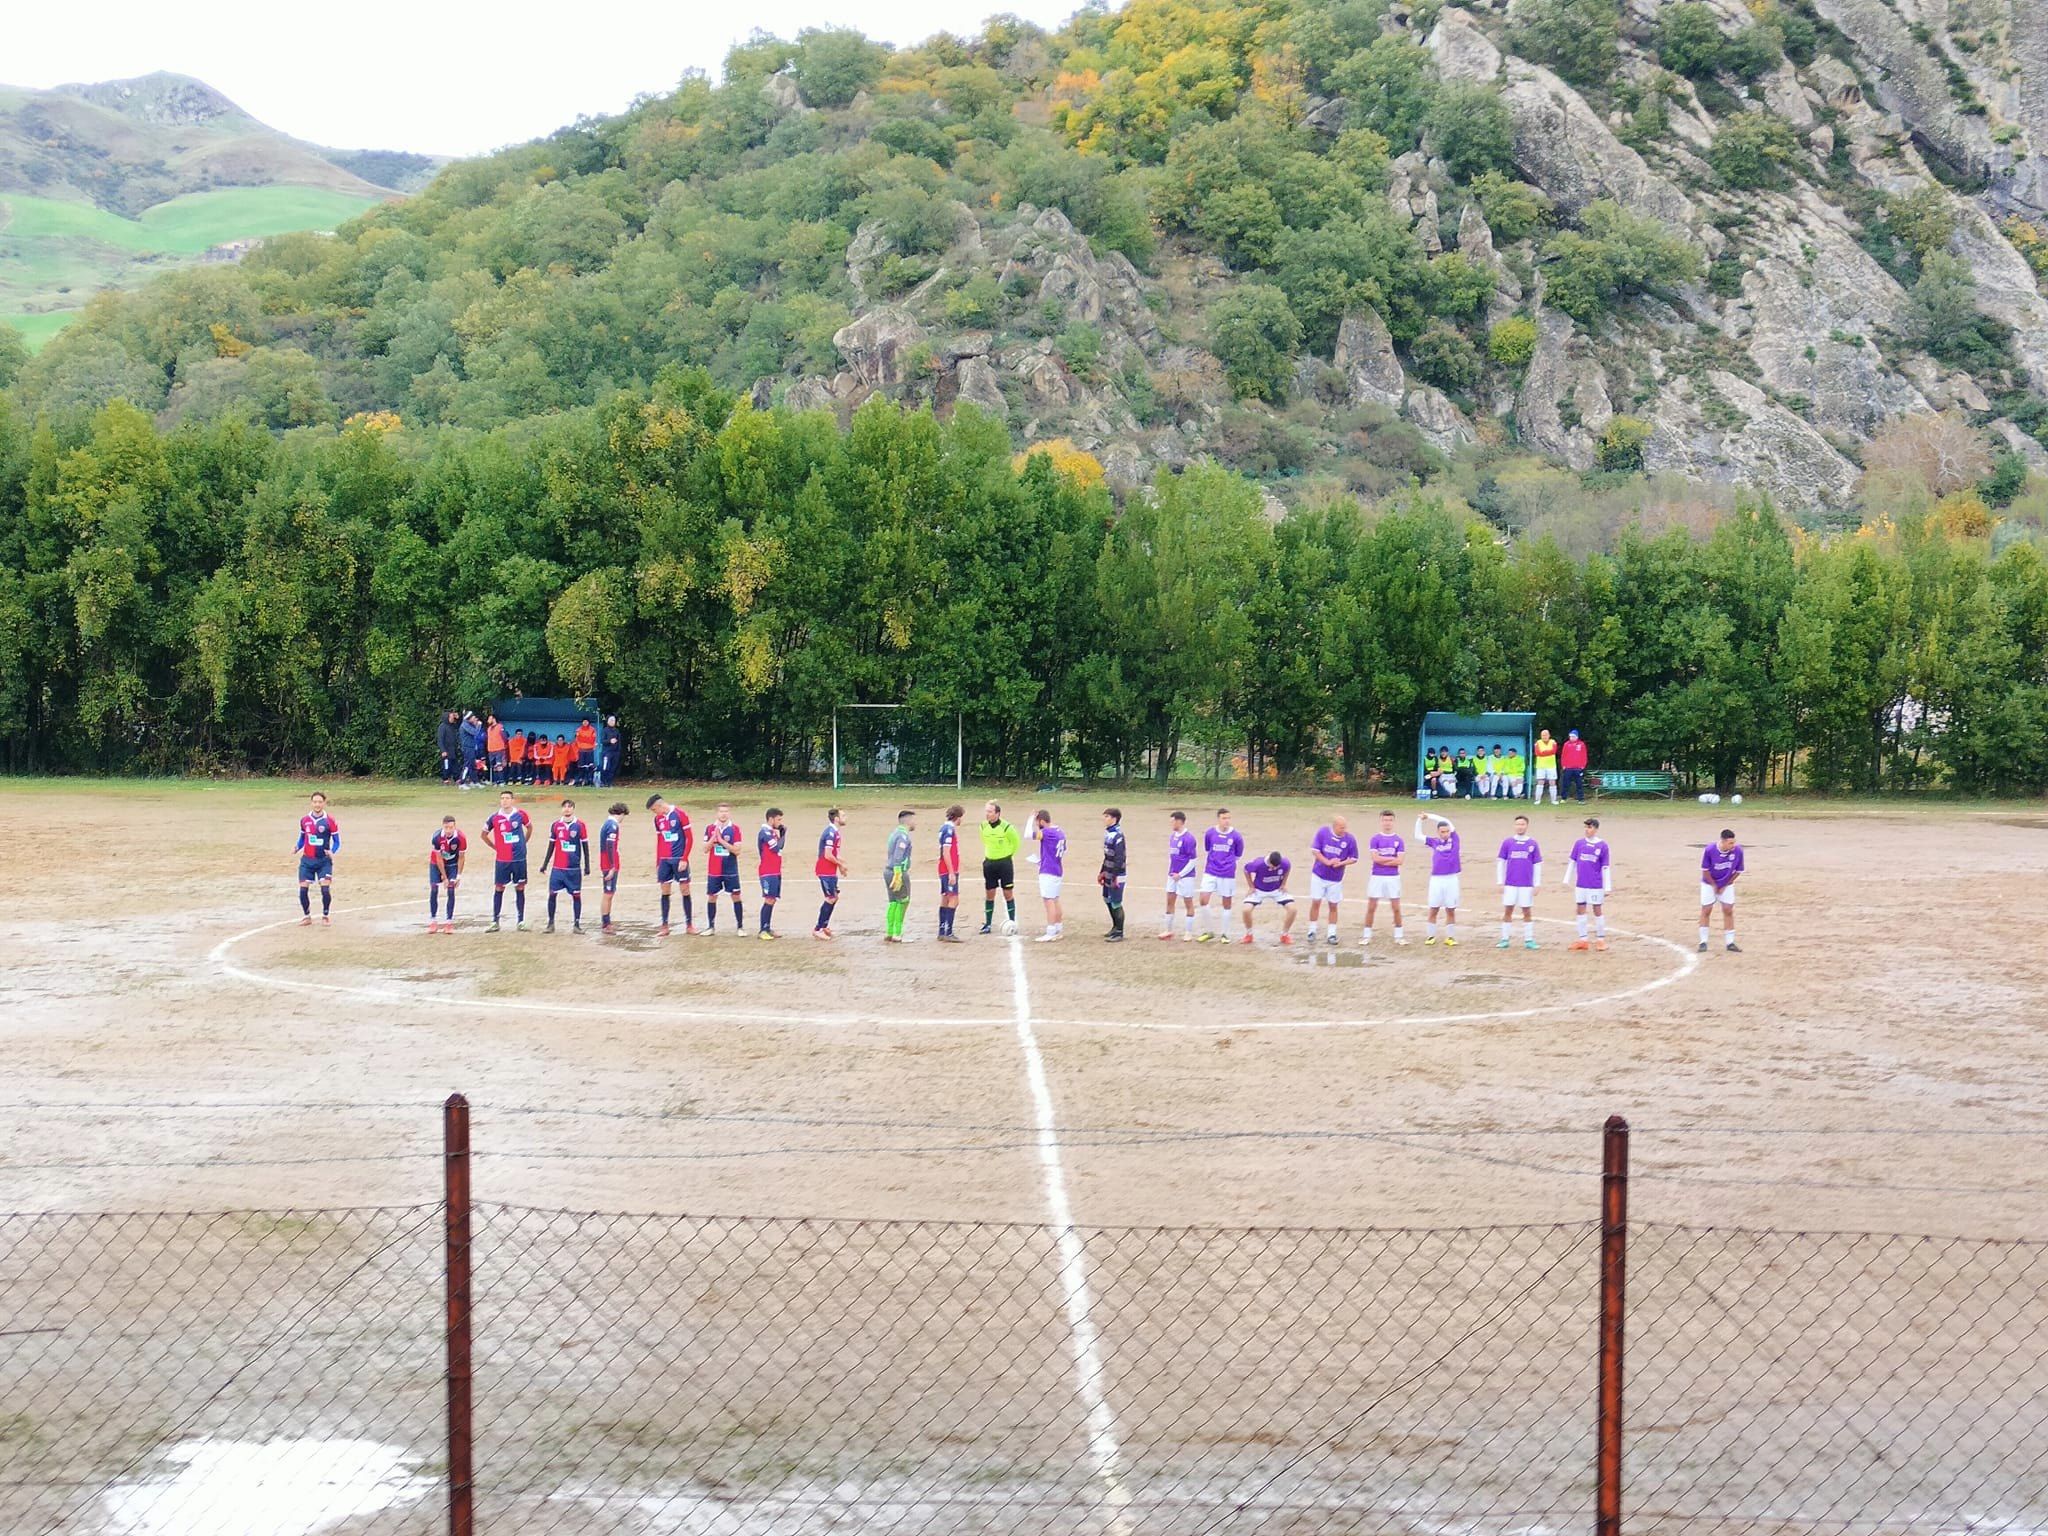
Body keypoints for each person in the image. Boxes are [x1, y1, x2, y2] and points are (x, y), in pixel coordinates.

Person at [645, 793, 695, 937]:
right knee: (665, 891)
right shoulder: (658, 819)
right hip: (664, 861)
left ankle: (689, 924)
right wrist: (658, 862)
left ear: (660, 805)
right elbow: (659, 840)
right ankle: (665, 925)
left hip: (679, 858)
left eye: (654, 810)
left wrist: (684, 858)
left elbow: (689, 838)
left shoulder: (680, 814)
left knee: (685, 890)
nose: (655, 813)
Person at [483, 789, 533, 932]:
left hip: (519, 858)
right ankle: (495, 921)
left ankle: (521, 921)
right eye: (502, 798)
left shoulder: (520, 814)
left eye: (507, 798)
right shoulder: (494, 818)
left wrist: (524, 842)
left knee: (520, 887)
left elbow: (529, 827)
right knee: (499, 888)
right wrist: (495, 847)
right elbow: (483, 834)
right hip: (502, 859)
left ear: (512, 800)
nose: (505, 800)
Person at [1305, 815, 1357, 947]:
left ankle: (1331, 933)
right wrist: (1327, 862)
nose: (1344, 830)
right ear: (1334, 826)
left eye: (1345, 827)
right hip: (1319, 875)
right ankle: (1312, 930)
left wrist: (1341, 863)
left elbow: (1354, 858)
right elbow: (1315, 851)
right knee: (1316, 901)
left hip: (1336, 879)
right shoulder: (1323, 832)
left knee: (1333, 905)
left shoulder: (1350, 839)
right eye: (1341, 827)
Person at [542, 799, 591, 933]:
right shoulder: (556, 825)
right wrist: (545, 864)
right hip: (558, 868)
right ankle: (550, 924)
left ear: (573, 809)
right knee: (552, 894)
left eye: (570, 807)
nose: (567, 809)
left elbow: (585, 846)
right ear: (561, 809)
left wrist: (587, 865)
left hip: (573, 869)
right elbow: (551, 846)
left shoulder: (580, 825)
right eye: (565, 807)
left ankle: (576, 924)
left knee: (576, 896)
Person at [1197, 808, 1244, 943]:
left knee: (1226, 904)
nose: (1227, 821)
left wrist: (1227, 864)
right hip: (1210, 871)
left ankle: (1225, 934)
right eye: (1224, 818)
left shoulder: (1236, 836)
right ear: (1218, 819)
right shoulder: (1210, 833)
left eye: (1228, 818)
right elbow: (1207, 849)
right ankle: (1209, 931)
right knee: (1203, 900)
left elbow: (1238, 854)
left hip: (1227, 874)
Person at [1362, 809, 1407, 946]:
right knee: (1371, 906)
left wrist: (1384, 860)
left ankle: (1399, 935)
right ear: (1381, 821)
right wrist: (1391, 859)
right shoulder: (1375, 839)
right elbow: (1375, 858)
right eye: (1385, 820)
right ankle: (1366, 935)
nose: (1387, 823)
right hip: (1377, 876)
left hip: (1393, 877)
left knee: (1396, 907)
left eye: (1390, 820)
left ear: (1393, 822)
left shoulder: (1399, 840)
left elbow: (1400, 861)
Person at [1416, 812, 1462, 946]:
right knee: (1433, 908)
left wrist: (1429, 816)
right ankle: (1431, 936)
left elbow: (1445, 819)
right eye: (1442, 832)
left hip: (1451, 878)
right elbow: (1417, 835)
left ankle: (1450, 937)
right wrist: (1420, 820)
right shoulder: (1434, 842)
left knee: (1450, 909)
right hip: (1436, 879)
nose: (1445, 834)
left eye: (1447, 831)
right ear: (1438, 832)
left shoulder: (1455, 839)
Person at [1496, 815, 1541, 950]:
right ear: (1514, 826)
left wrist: (1537, 884)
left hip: (1526, 884)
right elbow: (1501, 862)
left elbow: (1537, 864)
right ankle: (1504, 938)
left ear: (1527, 826)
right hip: (1510, 883)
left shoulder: (1532, 844)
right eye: (1518, 824)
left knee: (1527, 911)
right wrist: (1500, 882)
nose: (1520, 826)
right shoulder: (1508, 842)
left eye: (1522, 824)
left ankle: (1528, 940)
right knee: (1508, 910)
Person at [295, 792, 340, 926]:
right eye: (315, 802)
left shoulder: (330, 821)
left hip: (323, 861)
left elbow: (337, 841)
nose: (317, 804)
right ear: (311, 803)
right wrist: (297, 846)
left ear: (324, 803)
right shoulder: (304, 820)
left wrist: (332, 851)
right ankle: (307, 916)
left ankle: (325, 915)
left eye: (320, 802)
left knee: (325, 889)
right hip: (307, 861)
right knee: (303, 889)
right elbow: (303, 838)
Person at [1568, 817, 1612, 951]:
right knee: (1580, 909)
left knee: (1597, 909)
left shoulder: (1602, 846)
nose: (1587, 830)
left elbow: (1605, 867)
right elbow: (1572, 862)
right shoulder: (1579, 844)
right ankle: (1583, 939)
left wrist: (1608, 886)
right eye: (1586, 827)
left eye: (1590, 827)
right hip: (1581, 883)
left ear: (1596, 829)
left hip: (1595, 884)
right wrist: (1566, 879)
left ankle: (1600, 939)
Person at [978, 801, 1021, 936]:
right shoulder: (983, 826)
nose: (987, 814)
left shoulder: (1007, 827)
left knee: (1008, 893)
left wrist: (1006, 855)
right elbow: (985, 841)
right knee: (989, 894)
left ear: (997, 813)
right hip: (989, 863)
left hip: (1004, 864)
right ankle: (988, 924)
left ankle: (1012, 922)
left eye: (990, 811)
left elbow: (1016, 843)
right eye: (986, 811)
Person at [1240, 850, 1298, 945]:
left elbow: (1287, 869)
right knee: (1246, 910)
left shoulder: (1285, 863)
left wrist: (1283, 884)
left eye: (1277, 867)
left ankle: (1285, 935)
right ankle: (1249, 935)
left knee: (1293, 909)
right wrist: (1251, 886)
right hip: (1259, 890)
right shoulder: (1258, 863)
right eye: (1273, 866)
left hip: (1276, 889)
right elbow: (1246, 870)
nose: (1274, 868)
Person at [1700, 828, 1744, 953]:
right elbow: (1705, 870)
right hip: (1709, 884)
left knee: (1728, 910)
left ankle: (1730, 942)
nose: (1733, 845)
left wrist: (1727, 884)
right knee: (1706, 909)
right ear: (1723, 842)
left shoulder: (1738, 851)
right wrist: (1714, 886)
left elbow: (1739, 870)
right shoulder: (1710, 850)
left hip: (1726, 884)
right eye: (1730, 843)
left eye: (1734, 842)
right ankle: (1703, 941)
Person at [702, 803, 744, 934]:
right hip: (714, 870)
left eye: (726, 811)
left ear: (729, 813)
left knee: (736, 896)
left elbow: (737, 850)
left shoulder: (735, 829)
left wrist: (721, 841)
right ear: (717, 813)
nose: (723, 814)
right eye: (721, 811)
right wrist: (713, 839)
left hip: (730, 869)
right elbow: (705, 849)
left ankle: (740, 927)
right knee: (712, 896)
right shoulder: (710, 828)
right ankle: (710, 927)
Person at [1159, 811, 1199, 941]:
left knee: (1188, 902)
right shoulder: (1173, 836)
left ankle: (1188, 932)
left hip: (1185, 877)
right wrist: (1173, 873)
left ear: (1179, 821)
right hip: (1172, 875)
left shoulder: (1189, 838)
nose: (1171, 823)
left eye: (1172, 821)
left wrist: (1181, 874)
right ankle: (1168, 930)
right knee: (1170, 901)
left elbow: (1193, 860)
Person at [1029, 810, 1067, 943]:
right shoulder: (1060, 832)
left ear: (1041, 821)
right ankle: (1058, 927)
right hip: (1057, 869)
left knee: (1048, 900)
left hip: (1048, 871)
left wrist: (1029, 818)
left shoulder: (1047, 832)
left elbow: (1028, 834)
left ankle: (1051, 931)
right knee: (1055, 899)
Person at [883, 809, 917, 943]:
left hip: (888, 871)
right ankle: (897, 933)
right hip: (897, 872)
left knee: (893, 902)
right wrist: (898, 873)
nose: (915, 823)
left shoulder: (894, 834)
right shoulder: (903, 836)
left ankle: (890, 932)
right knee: (903, 901)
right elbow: (898, 855)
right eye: (914, 820)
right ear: (908, 821)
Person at [428, 814, 466, 934]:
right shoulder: (436, 837)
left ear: (455, 827)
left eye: (450, 827)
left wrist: (458, 876)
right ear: (442, 827)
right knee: (434, 889)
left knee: (451, 889)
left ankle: (449, 922)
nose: (448, 830)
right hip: (436, 864)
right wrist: (444, 877)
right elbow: (439, 858)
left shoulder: (461, 838)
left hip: (452, 865)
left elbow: (461, 857)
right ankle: (433, 920)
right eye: (446, 828)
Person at [814, 806, 847, 939]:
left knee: (834, 897)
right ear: (837, 819)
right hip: (825, 870)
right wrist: (840, 864)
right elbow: (827, 855)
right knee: (830, 898)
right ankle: (818, 928)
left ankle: (825, 925)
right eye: (843, 816)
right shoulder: (830, 833)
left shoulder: (835, 833)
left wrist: (840, 865)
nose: (846, 818)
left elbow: (834, 854)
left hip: (830, 870)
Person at [1098, 808, 1128, 941]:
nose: (1104, 818)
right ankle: (1115, 927)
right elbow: (1107, 856)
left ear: (1114, 818)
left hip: (1117, 874)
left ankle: (1119, 932)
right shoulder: (1108, 834)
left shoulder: (1118, 835)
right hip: (1109, 872)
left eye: (1106, 816)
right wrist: (1102, 871)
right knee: (1107, 899)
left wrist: (1115, 876)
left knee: (1116, 902)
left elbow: (1120, 857)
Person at [936, 805, 964, 941]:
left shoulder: (943, 828)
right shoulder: (949, 829)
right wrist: (952, 872)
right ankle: (948, 932)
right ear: (957, 817)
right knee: (954, 899)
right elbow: (946, 852)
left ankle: (942, 931)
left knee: (945, 898)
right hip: (948, 870)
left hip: (943, 869)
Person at [599, 802, 628, 932]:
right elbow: (609, 846)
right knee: (608, 893)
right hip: (608, 863)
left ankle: (607, 922)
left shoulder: (607, 823)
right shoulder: (612, 825)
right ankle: (606, 924)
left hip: (607, 862)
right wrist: (612, 866)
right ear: (620, 814)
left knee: (609, 893)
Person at [757, 807, 785, 940]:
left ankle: (767, 927)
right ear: (771, 819)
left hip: (775, 870)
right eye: (778, 819)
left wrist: (780, 835)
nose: (780, 822)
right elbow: (776, 848)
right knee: (768, 899)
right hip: (767, 871)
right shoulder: (765, 832)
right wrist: (783, 835)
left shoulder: (772, 832)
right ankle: (763, 930)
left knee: (772, 899)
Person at [1560, 730, 1590, 802]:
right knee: (1566, 783)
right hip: (1568, 767)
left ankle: (1581, 799)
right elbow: (1563, 755)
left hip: (1578, 768)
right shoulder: (1566, 744)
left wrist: (1583, 765)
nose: (1571, 738)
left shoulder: (1581, 744)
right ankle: (1564, 798)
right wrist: (1563, 765)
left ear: (1577, 737)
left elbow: (1584, 755)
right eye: (1570, 736)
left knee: (1579, 784)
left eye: (1573, 736)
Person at [1533, 729, 1560, 805]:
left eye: (1546, 735)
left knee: (1552, 782)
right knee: (1540, 782)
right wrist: (1548, 752)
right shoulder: (1538, 743)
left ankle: (1553, 800)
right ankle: (1537, 800)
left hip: (1551, 765)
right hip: (1540, 766)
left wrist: (1544, 752)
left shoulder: (1553, 742)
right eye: (1543, 735)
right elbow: (1538, 753)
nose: (1544, 736)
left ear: (1549, 735)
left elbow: (1554, 751)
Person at [437, 711, 462, 785]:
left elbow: (459, 726)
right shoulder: (442, 727)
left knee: (455, 765)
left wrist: (458, 718)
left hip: (453, 750)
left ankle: (457, 778)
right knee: (446, 765)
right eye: (451, 717)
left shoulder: (452, 725)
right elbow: (440, 740)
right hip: (446, 750)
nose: (452, 718)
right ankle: (445, 779)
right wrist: (443, 750)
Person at [459, 713, 483, 788]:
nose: (475, 718)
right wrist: (478, 725)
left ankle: (475, 781)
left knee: (473, 765)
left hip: (471, 747)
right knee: (467, 765)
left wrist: (475, 724)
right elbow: (475, 732)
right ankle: (462, 782)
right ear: (469, 718)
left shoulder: (469, 724)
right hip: (467, 747)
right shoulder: (465, 725)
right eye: (473, 717)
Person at [575, 717, 598, 786]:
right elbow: (578, 740)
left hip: (590, 750)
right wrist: (586, 740)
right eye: (584, 721)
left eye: (586, 721)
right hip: (581, 750)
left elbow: (592, 739)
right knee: (581, 766)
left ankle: (590, 780)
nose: (585, 723)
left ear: (589, 722)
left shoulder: (592, 730)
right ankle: (580, 780)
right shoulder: (578, 730)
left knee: (590, 766)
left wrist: (584, 739)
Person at [600, 716, 623, 787]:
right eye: (611, 720)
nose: (612, 722)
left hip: (615, 752)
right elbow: (602, 741)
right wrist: (610, 741)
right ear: (607, 721)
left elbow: (619, 741)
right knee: (606, 767)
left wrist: (619, 751)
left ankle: (610, 782)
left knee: (613, 768)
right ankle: (603, 781)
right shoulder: (605, 730)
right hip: (607, 752)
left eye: (614, 720)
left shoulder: (617, 731)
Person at [486, 715, 507, 785]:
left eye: (490, 718)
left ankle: (501, 781)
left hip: (499, 749)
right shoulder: (488, 728)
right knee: (494, 766)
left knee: (499, 765)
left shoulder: (500, 727)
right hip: (491, 750)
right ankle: (495, 781)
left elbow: (505, 737)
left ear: (494, 719)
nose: (488, 720)